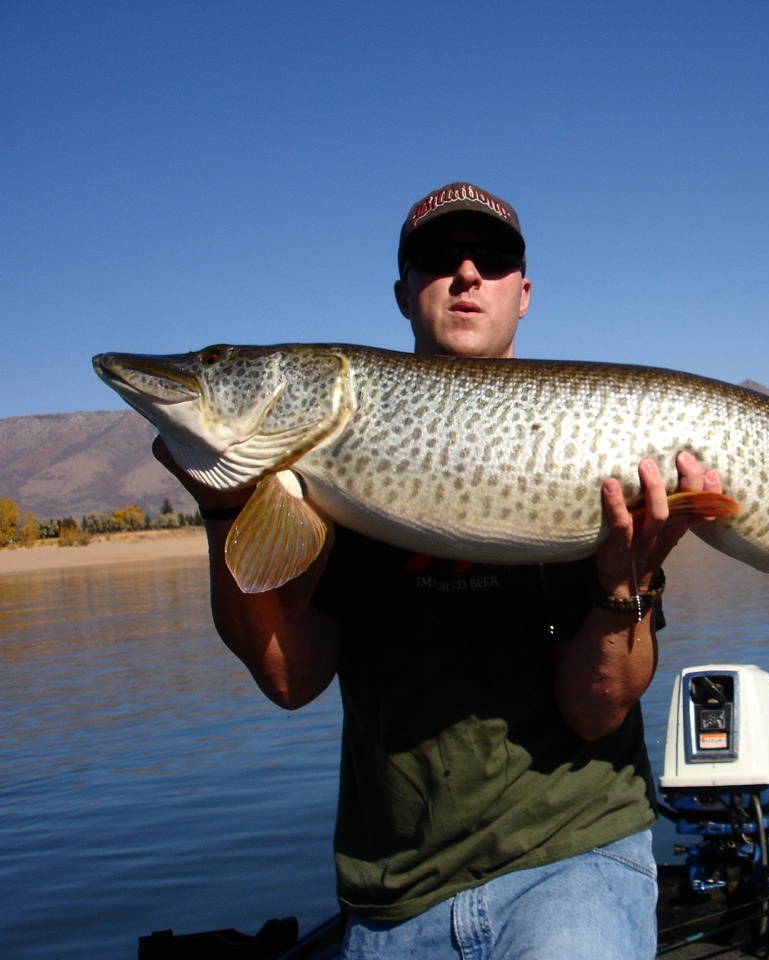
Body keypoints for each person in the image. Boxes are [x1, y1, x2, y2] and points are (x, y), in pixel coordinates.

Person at [156, 182, 722, 959]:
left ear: (522, 294)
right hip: (395, 893)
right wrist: (224, 510)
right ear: (401, 291)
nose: (464, 272)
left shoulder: (586, 449)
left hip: (572, 862)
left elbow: (595, 713)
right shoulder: (325, 475)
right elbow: (290, 678)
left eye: (491, 259)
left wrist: (626, 584)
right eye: (435, 257)